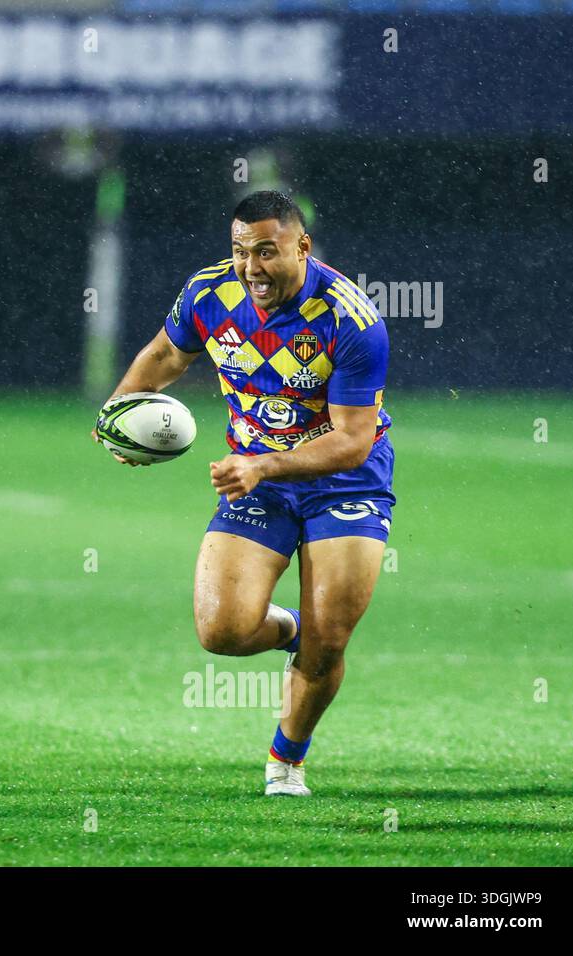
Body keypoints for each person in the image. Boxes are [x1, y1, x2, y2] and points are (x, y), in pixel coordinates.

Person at [97, 190, 393, 796]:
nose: (251, 267)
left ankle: (287, 759)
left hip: (344, 481)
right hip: (256, 476)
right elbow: (165, 354)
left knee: (330, 639)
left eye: (267, 251)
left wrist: (264, 466)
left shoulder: (351, 320)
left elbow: (353, 440)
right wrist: (120, 414)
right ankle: (289, 629)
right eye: (239, 251)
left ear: (302, 247)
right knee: (223, 632)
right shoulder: (209, 294)